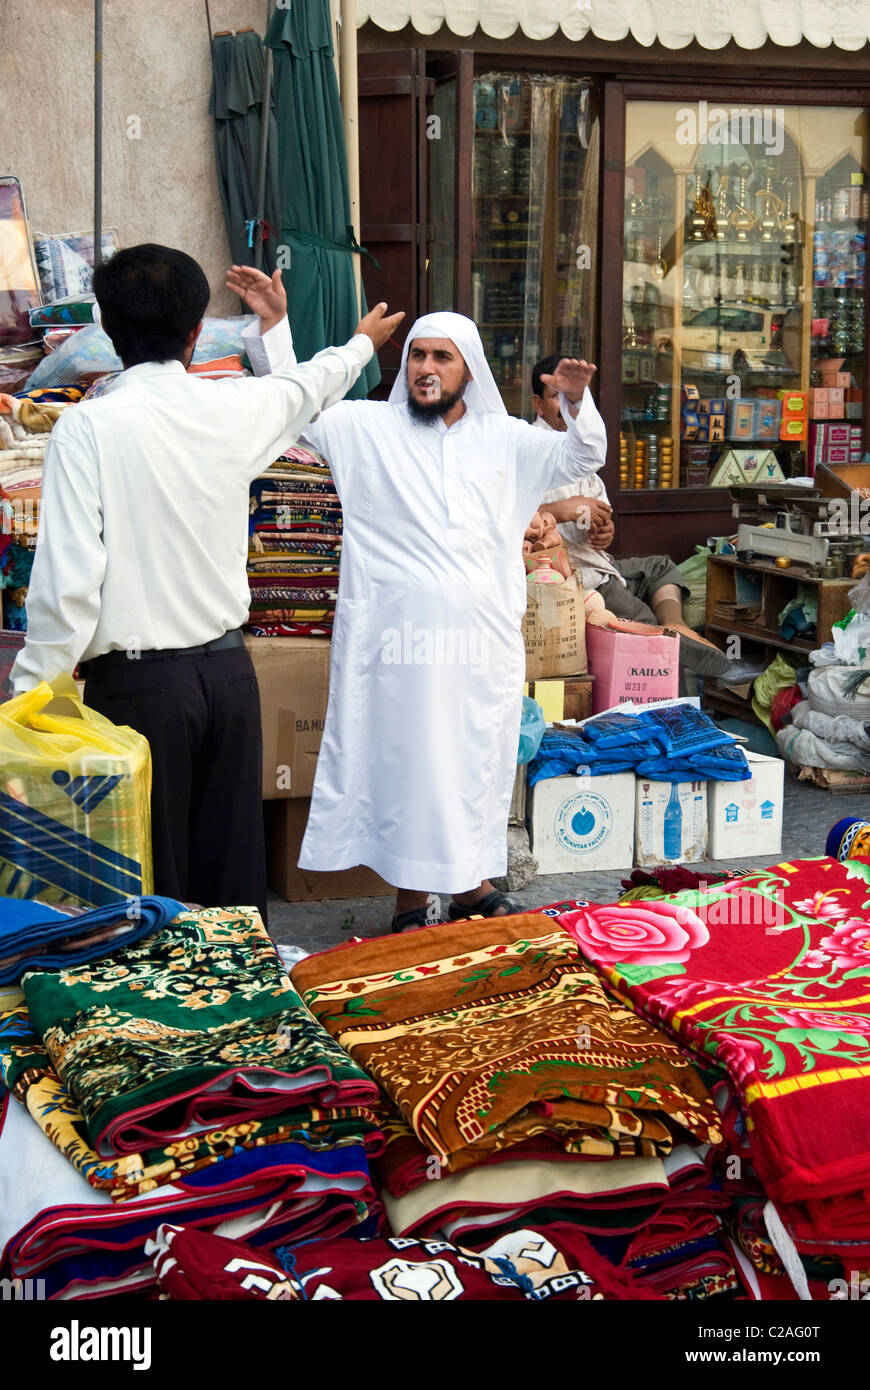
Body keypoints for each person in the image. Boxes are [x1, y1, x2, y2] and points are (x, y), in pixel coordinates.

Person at [10, 244, 403, 922]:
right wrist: (362, 342)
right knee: (229, 894)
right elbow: (310, 384)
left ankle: (163, 1024)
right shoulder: (233, 409)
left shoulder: (89, 429)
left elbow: (66, 585)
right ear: (195, 333)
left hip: (138, 689)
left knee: (149, 889)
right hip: (229, 680)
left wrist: (28, 701)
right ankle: (246, 1015)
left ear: (105, 329)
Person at [234, 266, 608, 931]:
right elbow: (291, 401)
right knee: (406, 760)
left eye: (442, 356)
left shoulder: (509, 441)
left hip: (479, 642)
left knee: (469, 760)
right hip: (393, 642)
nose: (426, 366)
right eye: (417, 355)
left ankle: (467, 886)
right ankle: (412, 899)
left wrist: (576, 401)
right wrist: (273, 325)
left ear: (469, 370)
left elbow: (582, 458)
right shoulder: (363, 430)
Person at [531, 353, 730, 680]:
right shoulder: (530, 449)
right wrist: (559, 511)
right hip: (574, 576)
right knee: (648, 630)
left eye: (575, 399)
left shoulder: (580, 448)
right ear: (539, 404)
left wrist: (604, 531)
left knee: (661, 567)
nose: (568, 408)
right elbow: (506, 516)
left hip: (596, 559)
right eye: (557, 398)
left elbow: (602, 525)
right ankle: (666, 645)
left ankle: (675, 626)